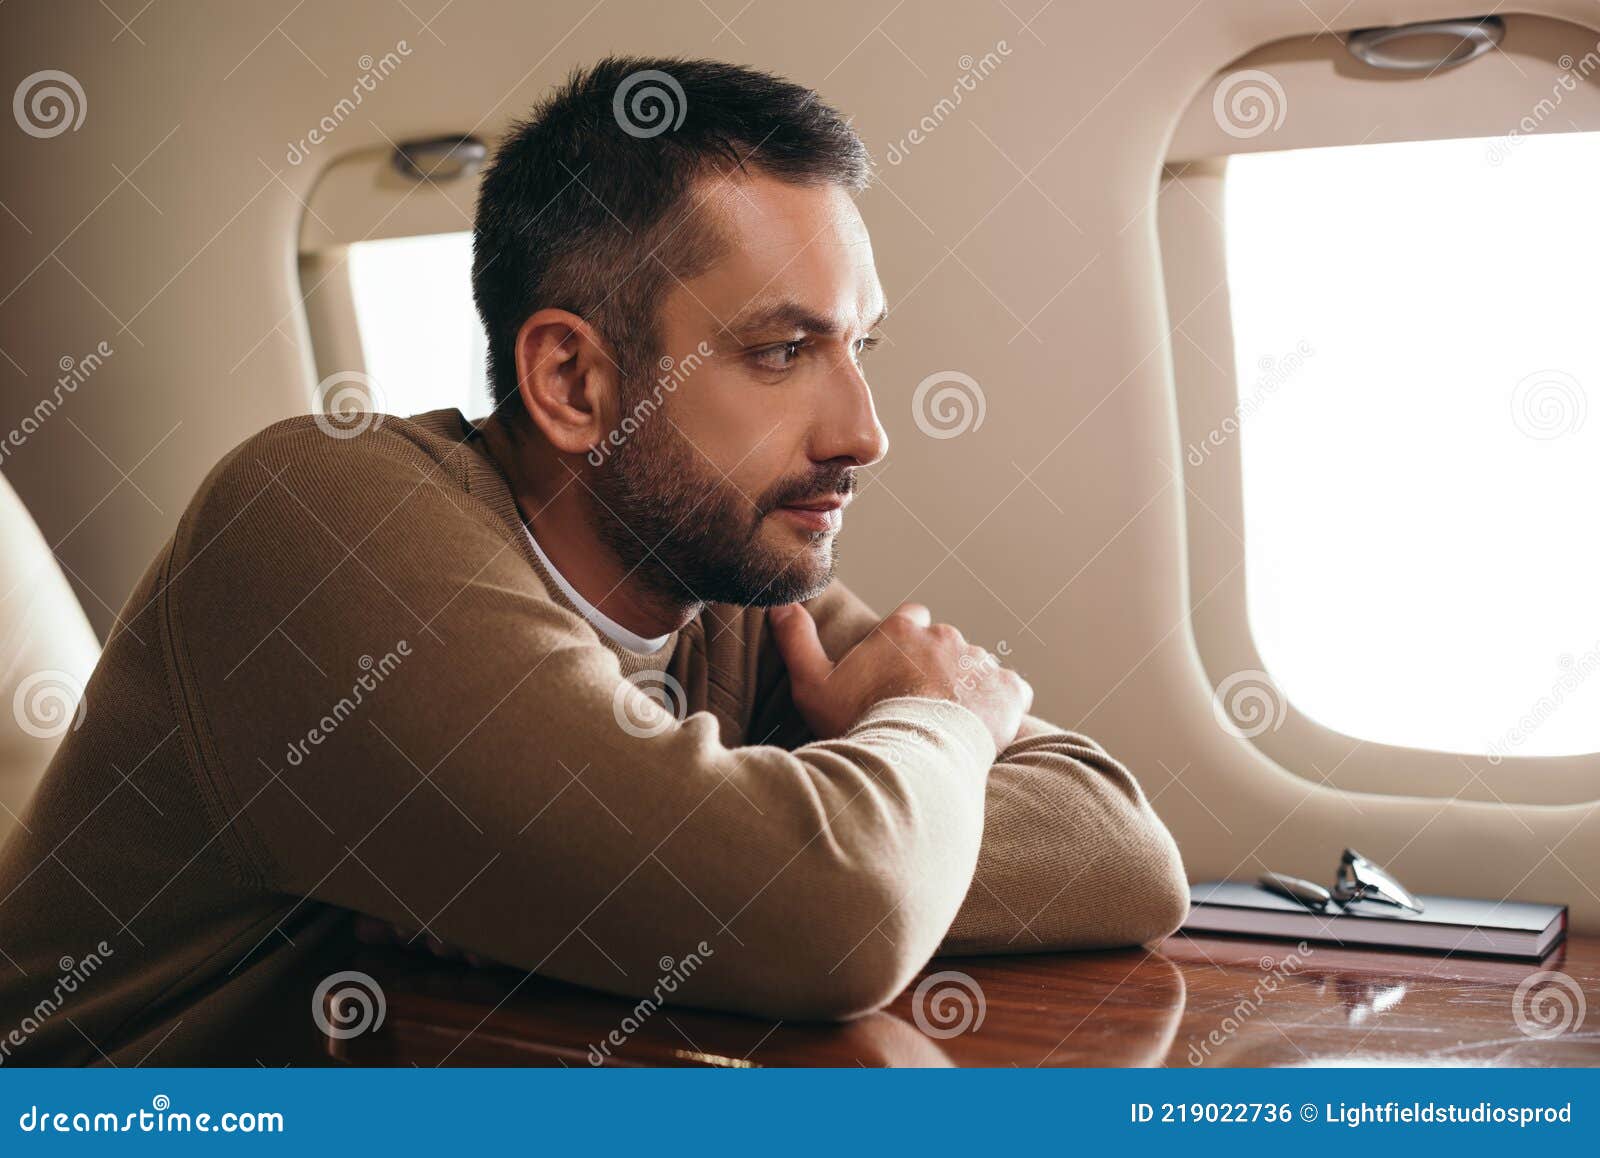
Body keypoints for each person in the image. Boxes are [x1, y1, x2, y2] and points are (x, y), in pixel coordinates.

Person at [0, 57, 1187, 1065]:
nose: (864, 433)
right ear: (573, 382)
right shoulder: (317, 517)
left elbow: (1124, 849)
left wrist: (640, 886)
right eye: (782, 351)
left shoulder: (725, 572)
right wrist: (930, 736)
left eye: (859, 348)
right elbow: (832, 912)